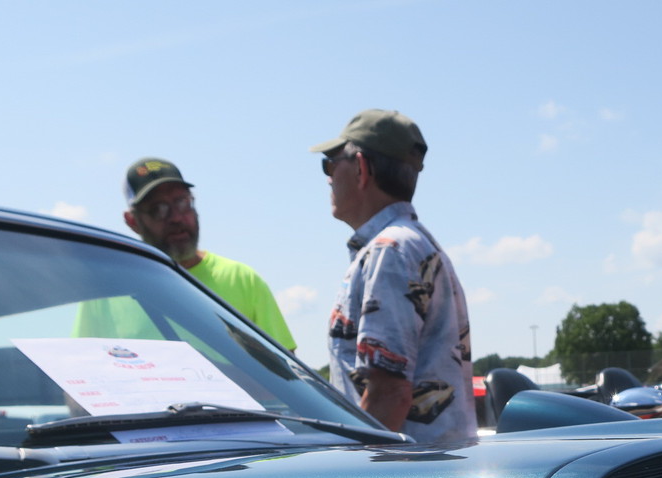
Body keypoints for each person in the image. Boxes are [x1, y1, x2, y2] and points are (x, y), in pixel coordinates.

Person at [310, 110, 473, 441]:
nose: (328, 176)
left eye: (330, 163)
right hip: (426, 474)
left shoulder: (390, 250)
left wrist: (349, 475)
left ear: (361, 168)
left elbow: (389, 395)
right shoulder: (410, 244)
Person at [76, 158, 296, 350]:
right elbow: (80, 379)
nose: (176, 218)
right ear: (132, 221)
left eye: (182, 202)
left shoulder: (243, 280)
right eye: (158, 209)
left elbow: (289, 380)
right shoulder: (105, 293)